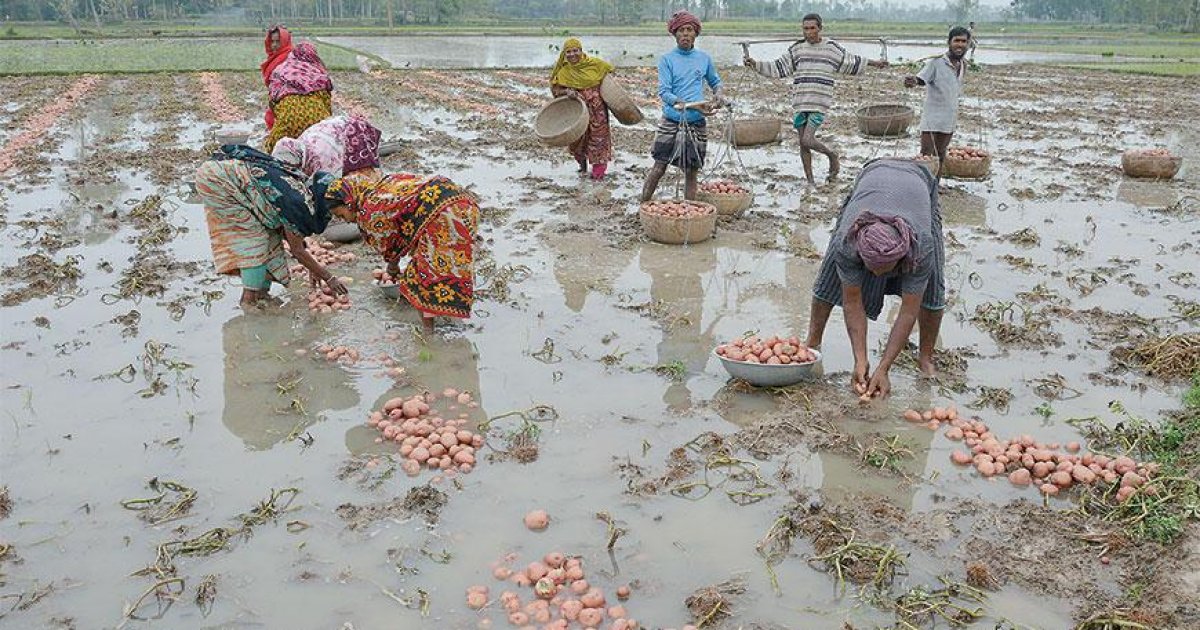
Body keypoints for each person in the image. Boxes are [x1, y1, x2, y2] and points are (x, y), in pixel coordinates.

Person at [804, 158, 945, 399]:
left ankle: (925, 358)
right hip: (872, 175)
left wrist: (884, 368)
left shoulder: (921, 246)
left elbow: (908, 312)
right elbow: (852, 302)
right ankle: (812, 341)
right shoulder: (848, 241)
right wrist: (860, 360)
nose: (877, 276)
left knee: (932, 287)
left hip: (919, 181)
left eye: (885, 269)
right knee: (829, 275)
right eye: (871, 268)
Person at [194, 145, 347, 308]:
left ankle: (261, 295)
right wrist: (328, 277)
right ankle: (248, 303)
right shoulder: (297, 205)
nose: (333, 217)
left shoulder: (305, 193)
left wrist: (313, 268)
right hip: (219, 180)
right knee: (255, 241)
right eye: (334, 213)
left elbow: (292, 235)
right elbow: (296, 250)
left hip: (226, 173)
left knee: (271, 237)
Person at [743, 13, 887, 185]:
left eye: (812, 28)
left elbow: (851, 61)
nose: (809, 32)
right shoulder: (797, 49)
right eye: (805, 29)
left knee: (808, 139)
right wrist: (755, 64)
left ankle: (832, 155)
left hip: (819, 101)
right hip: (801, 101)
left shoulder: (831, 48)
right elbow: (778, 67)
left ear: (820, 28)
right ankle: (810, 181)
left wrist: (875, 63)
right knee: (803, 144)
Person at [323, 172, 479, 327]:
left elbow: (391, 246)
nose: (345, 221)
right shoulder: (381, 187)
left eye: (341, 215)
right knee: (440, 268)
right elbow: (406, 229)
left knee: (420, 279)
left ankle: (429, 334)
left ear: (349, 202)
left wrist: (392, 267)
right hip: (464, 206)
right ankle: (446, 315)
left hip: (446, 216)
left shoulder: (369, 211)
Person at [641, 11, 724, 202]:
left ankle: (690, 209)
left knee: (691, 171)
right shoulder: (667, 60)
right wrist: (688, 105)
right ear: (675, 34)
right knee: (659, 167)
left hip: (696, 122)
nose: (685, 34)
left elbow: (715, 81)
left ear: (695, 34)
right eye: (681, 30)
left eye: (689, 30)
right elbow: (665, 93)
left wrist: (719, 94)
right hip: (672, 119)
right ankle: (643, 204)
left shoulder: (703, 58)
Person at [905, 26, 971, 169]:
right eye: (956, 41)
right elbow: (921, 79)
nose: (960, 45)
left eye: (964, 41)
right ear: (949, 42)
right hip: (932, 118)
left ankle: (936, 182)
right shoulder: (936, 63)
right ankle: (924, 182)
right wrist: (913, 81)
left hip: (949, 117)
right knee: (926, 155)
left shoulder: (963, 65)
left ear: (968, 44)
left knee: (941, 154)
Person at [549, 38, 615, 180]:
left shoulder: (595, 64)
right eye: (568, 52)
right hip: (576, 111)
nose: (572, 54)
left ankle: (598, 174)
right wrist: (567, 92)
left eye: (575, 50)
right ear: (564, 54)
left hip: (597, 110)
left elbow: (610, 76)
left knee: (599, 139)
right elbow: (555, 90)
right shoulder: (563, 71)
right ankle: (582, 164)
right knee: (578, 139)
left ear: (581, 50)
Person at [261, 26, 334, 154]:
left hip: (287, 120)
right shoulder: (318, 75)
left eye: (278, 41)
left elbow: (273, 100)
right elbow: (327, 104)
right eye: (272, 41)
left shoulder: (283, 68)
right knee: (317, 150)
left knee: (275, 151)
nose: (274, 45)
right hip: (318, 125)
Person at [271, 114, 383, 179]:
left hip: (351, 133)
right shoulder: (300, 143)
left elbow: (329, 182)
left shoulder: (320, 159)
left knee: (360, 174)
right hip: (336, 129)